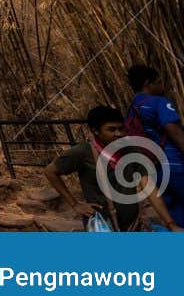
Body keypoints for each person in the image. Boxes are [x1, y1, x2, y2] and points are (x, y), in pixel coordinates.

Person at [44, 106, 181, 232]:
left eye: (121, 129)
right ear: (95, 131)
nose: (119, 134)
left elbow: (149, 187)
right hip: (103, 226)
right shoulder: (83, 152)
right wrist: (74, 204)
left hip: (132, 224)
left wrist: (170, 223)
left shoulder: (131, 150)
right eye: (112, 129)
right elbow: (50, 171)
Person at [125, 64, 184, 227]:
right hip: (176, 165)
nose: (162, 86)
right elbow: (176, 133)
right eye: (158, 82)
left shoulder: (131, 109)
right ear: (147, 83)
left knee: (177, 212)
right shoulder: (158, 102)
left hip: (155, 170)